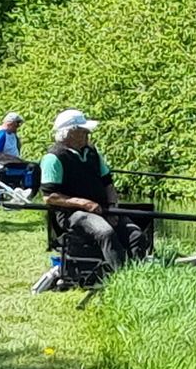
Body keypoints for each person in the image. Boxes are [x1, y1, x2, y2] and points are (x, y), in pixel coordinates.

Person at [40, 109, 147, 273]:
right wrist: (83, 203)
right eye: (83, 131)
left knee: (136, 235)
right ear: (69, 133)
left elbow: (108, 184)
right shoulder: (53, 158)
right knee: (105, 232)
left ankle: (138, 272)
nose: (88, 134)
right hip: (72, 213)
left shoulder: (92, 153)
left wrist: (113, 208)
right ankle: (123, 276)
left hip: (103, 207)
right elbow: (50, 197)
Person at [0, 112, 40, 195]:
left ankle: (27, 191)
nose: (18, 126)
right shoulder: (1, 133)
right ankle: (28, 191)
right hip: (0, 165)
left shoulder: (12, 134)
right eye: (17, 124)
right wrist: (17, 161)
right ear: (10, 123)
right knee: (32, 168)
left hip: (10, 163)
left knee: (36, 166)